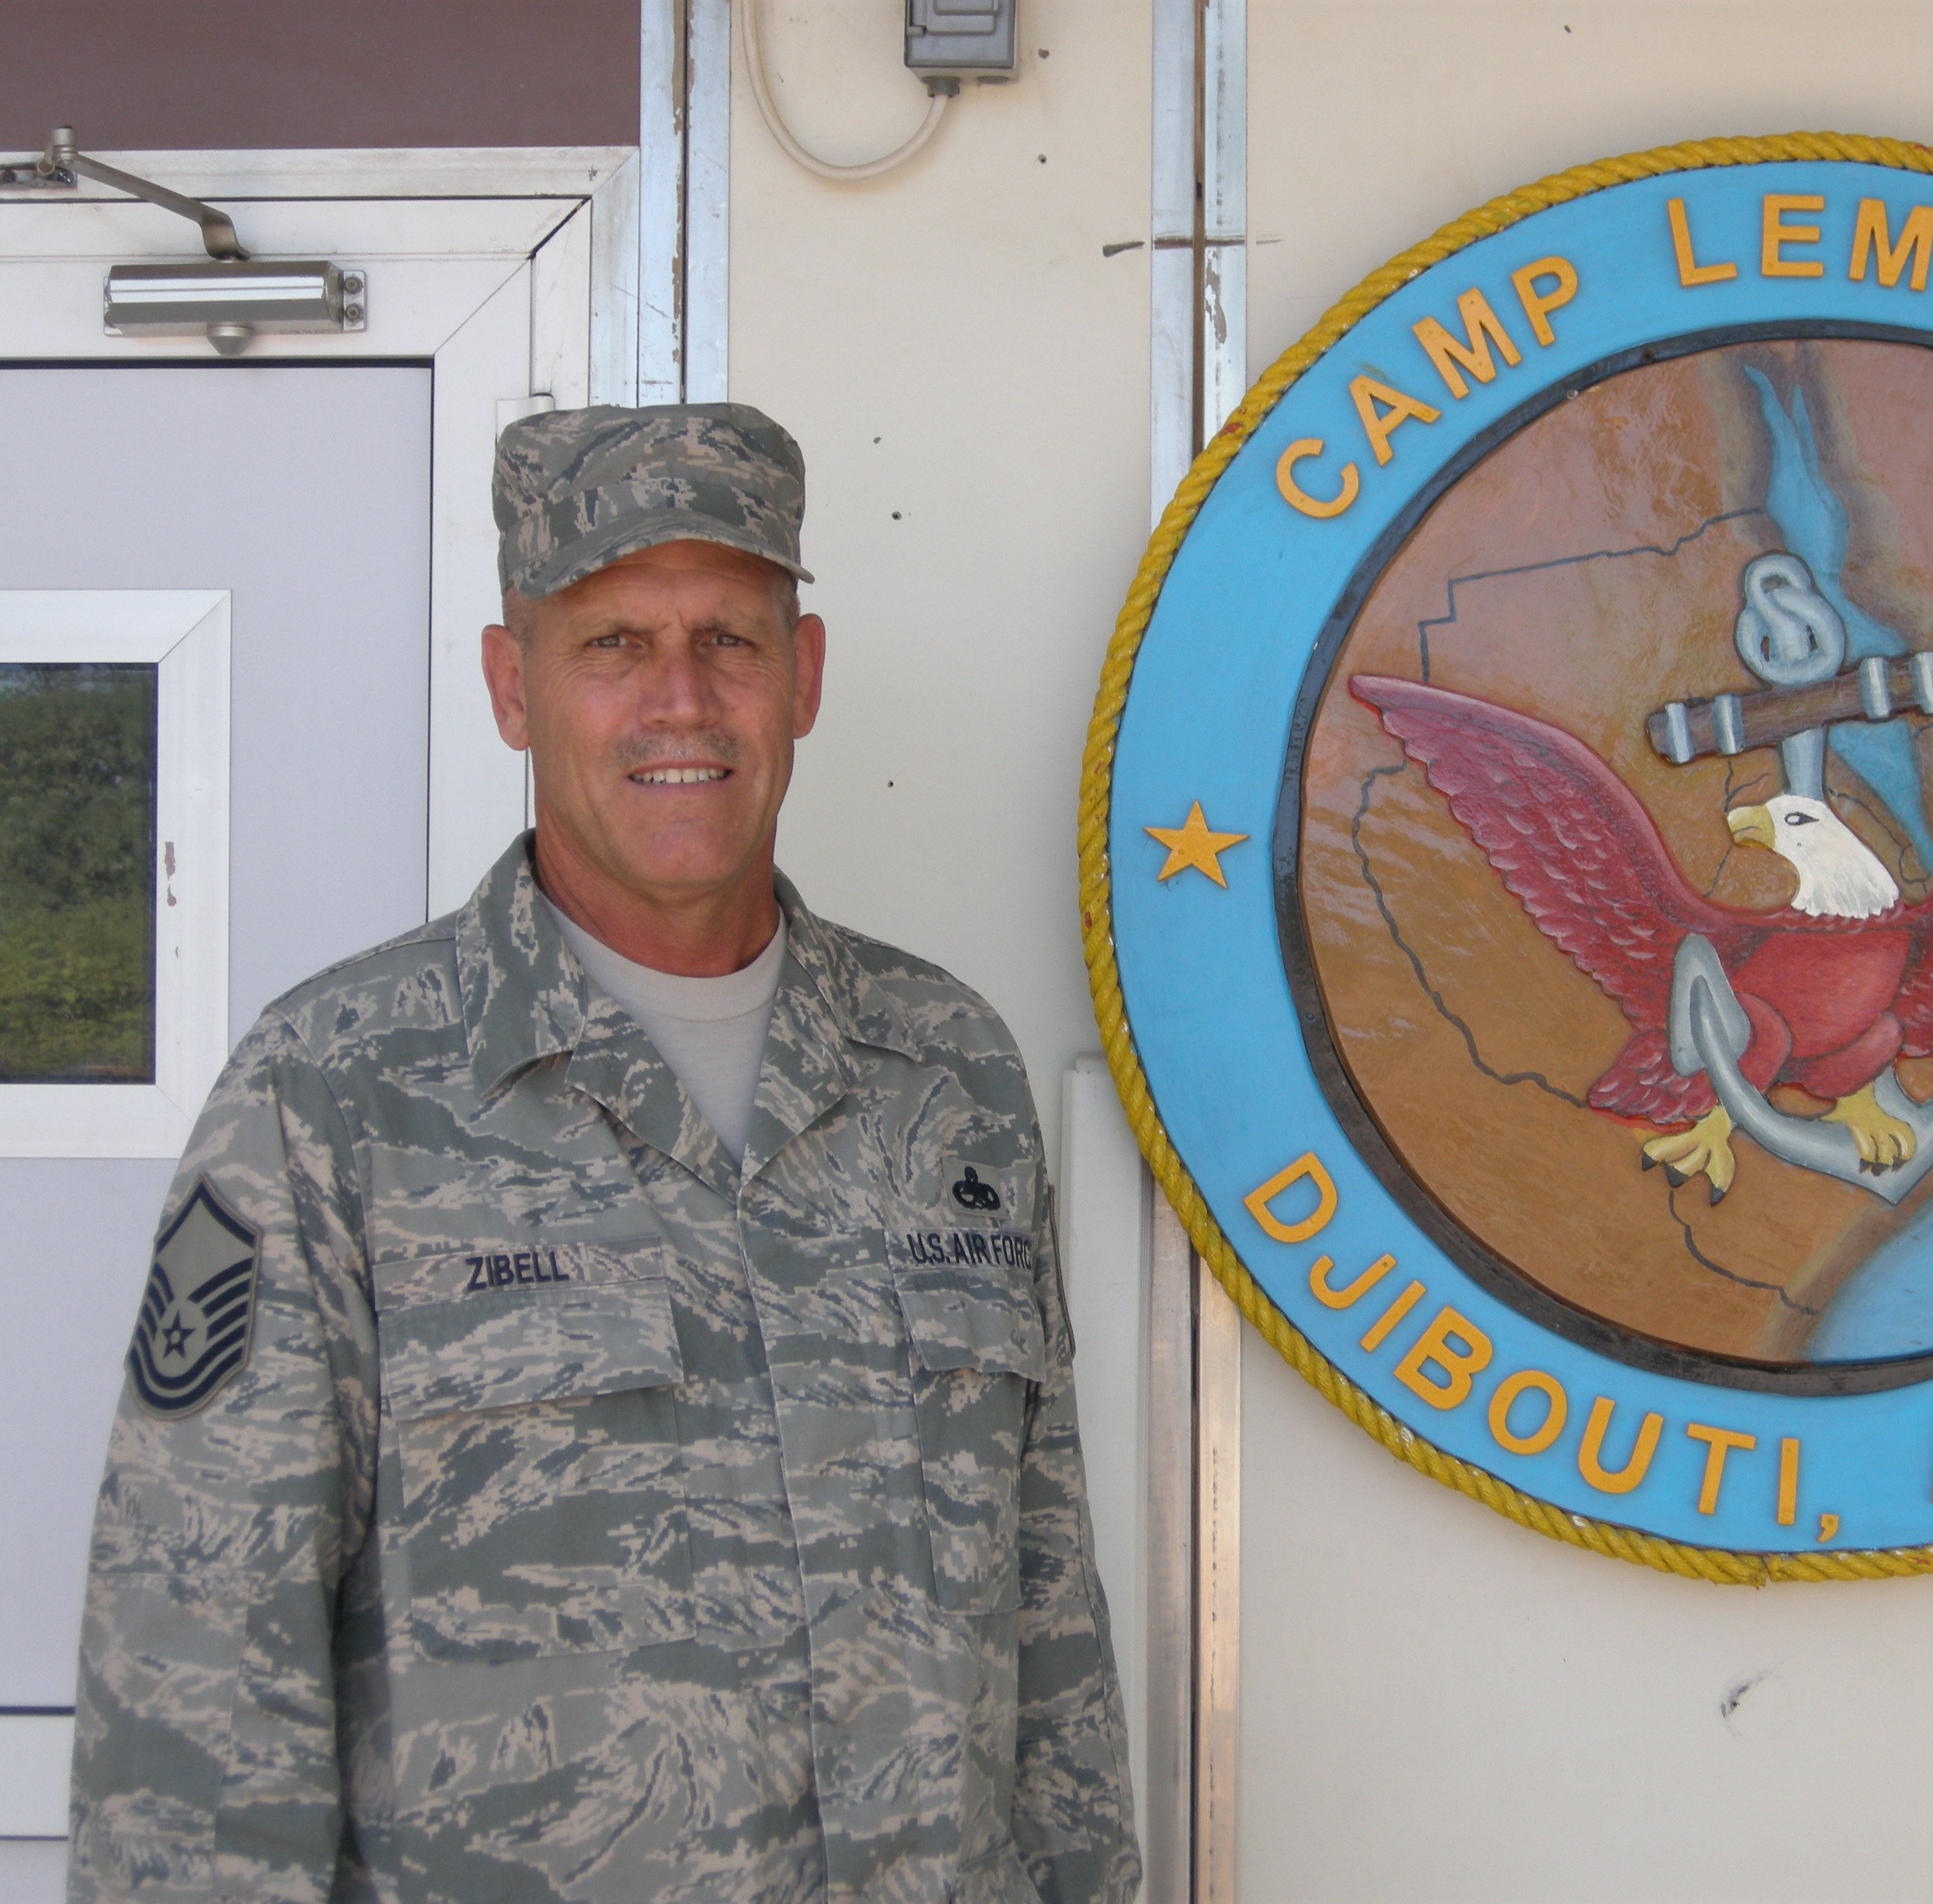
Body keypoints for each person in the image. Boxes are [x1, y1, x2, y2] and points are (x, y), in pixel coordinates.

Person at [66, 404, 1139, 1904]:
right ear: (514, 686)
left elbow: (1049, 1625)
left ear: (804, 677)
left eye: (730, 641)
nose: (680, 702)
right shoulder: (333, 1093)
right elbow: (190, 1675)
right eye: (612, 644)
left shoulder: (944, 1072)